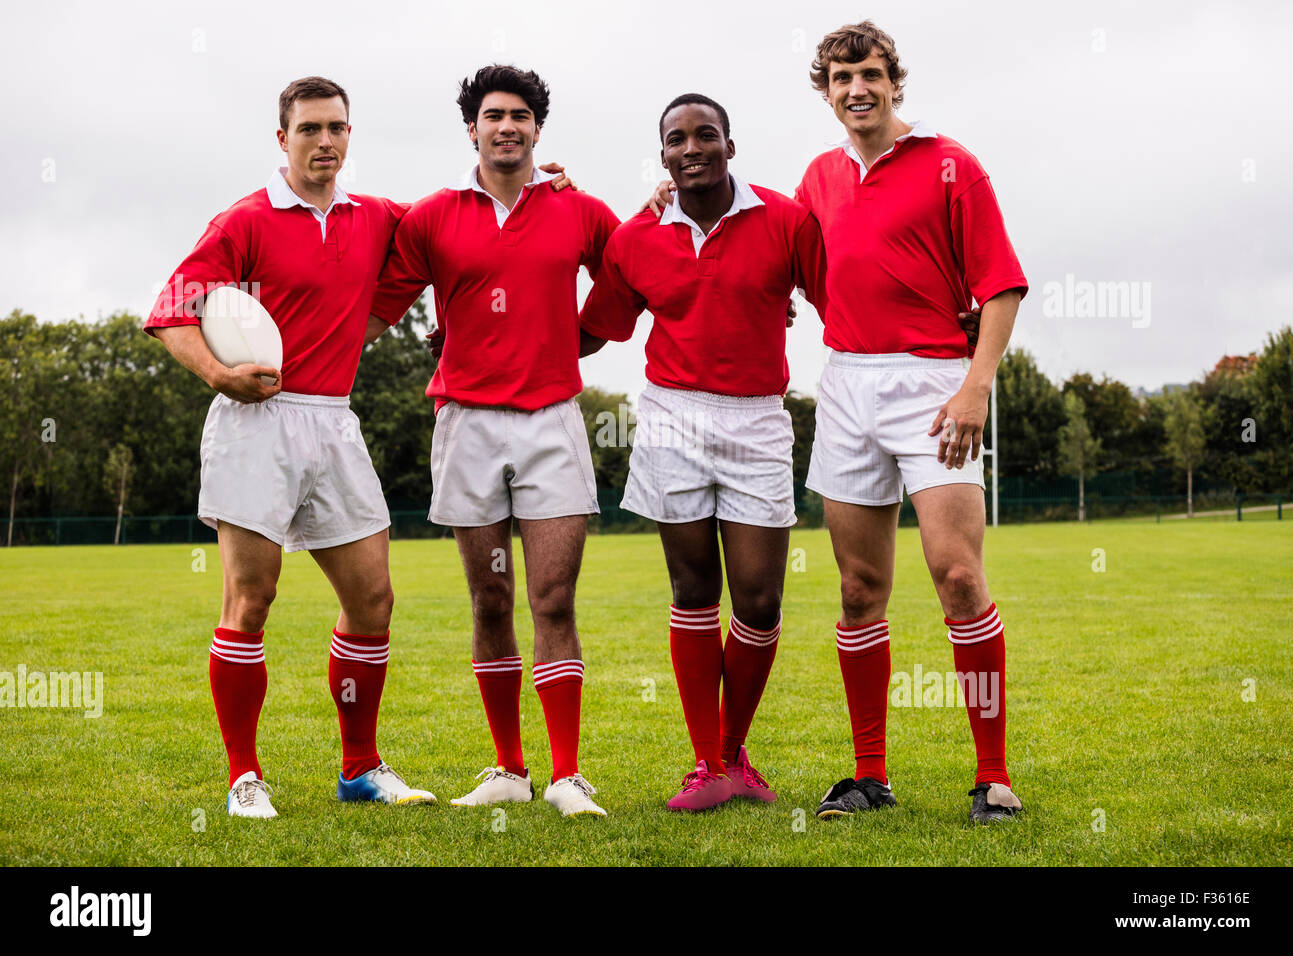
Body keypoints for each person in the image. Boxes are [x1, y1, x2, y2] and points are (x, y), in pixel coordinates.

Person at [144, 76, 436, 817]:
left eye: (337, 128)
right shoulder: (244, 220)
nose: (325, 142)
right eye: (309, 129)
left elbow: (451, 232)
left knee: (373, 600)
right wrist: (219, 373)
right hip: (255, 424)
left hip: (335, 420)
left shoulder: (377, 217)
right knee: (252, 598)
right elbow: (174, 306)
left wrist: (540, 186)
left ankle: (360, 769)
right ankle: (245, 777)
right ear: (283, 139)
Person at [792, 21, 1029, 823]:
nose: (855, 87)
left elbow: (1000, 285)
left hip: (936, 384)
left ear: (895, 80)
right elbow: (781, 262)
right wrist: (663, 203)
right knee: (859, 589)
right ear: (825, 93)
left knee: (958, 576)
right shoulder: (818, 177)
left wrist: (974, 387)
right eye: (839, 78)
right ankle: (868, 778)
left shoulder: (951, 163)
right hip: (847, 384)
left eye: (869, 72)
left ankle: (993, 778)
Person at [368, 64, 620, 818]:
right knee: (490, 598)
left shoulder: (581, 211)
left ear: (538, 130)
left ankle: (568, 776)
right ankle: (508, 768)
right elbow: (377, 302)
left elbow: (629, 283)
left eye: (520, 116)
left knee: (553, 597)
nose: (506, 126)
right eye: (492, 115)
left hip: (552, 421)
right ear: (472, 128)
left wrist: (568, 341)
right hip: (466, 423)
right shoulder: (431, 215)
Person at [580, 94, 827, 812]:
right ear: (662, 155)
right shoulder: (637, 237)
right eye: (676, 139)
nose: (692, 147)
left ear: (730, 144)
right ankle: (710, 764)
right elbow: (596, 329)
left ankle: (731, 752)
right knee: (693, 592)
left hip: (756, 421)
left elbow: (839, 302)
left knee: (759, 598)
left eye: (705, 135)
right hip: (670, 418)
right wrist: (480, 337)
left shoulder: (786, 221)